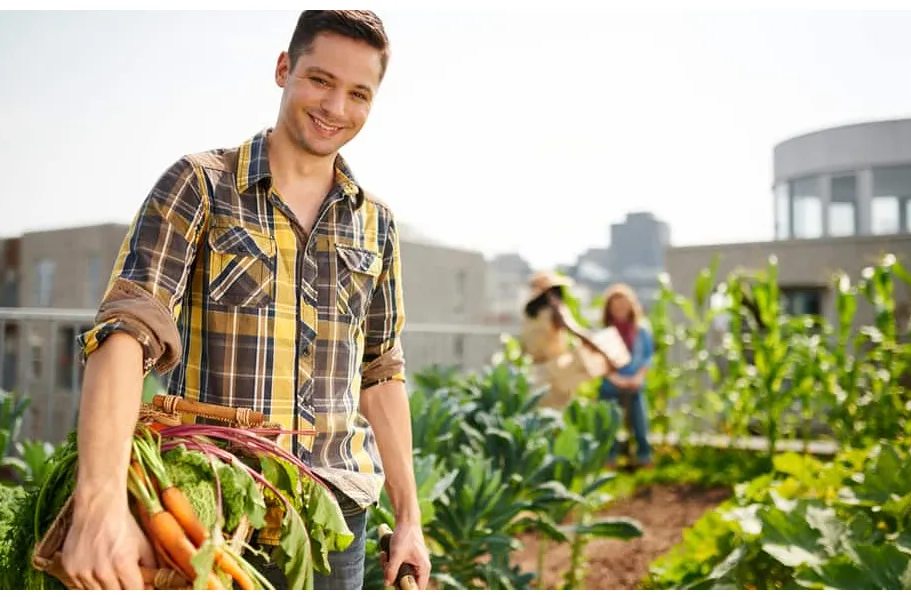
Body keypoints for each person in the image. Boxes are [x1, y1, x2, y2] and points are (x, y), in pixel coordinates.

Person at [59, 10, 430, 591]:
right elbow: (127, 330)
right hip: (216, 506)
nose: (336, 107)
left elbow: (381, 371)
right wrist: (99, 503)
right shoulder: (200, 184)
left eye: (358, 93)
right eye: (320, 80)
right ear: (284, 69)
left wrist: (409, 519)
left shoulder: (375, 222)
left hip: (339, 516)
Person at [521, 272, 630, 410]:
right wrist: (606, 355)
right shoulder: (555, 309)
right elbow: (576, 331)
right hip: (558, 373)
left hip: (537, 374)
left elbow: (524, 348)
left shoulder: (528, 317)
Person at [598, 283, 655, 469]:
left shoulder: (641, 330)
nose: (620, 309)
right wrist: (617, 379)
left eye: (623, 305)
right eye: (615, 306)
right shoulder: (604, 333)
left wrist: (637, 378)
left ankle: (644, 458)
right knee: (609, 426)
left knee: (640, 424)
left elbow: (647, 357)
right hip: (611, 386)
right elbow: (599, 361)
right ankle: (609, 461)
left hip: (635, 384)